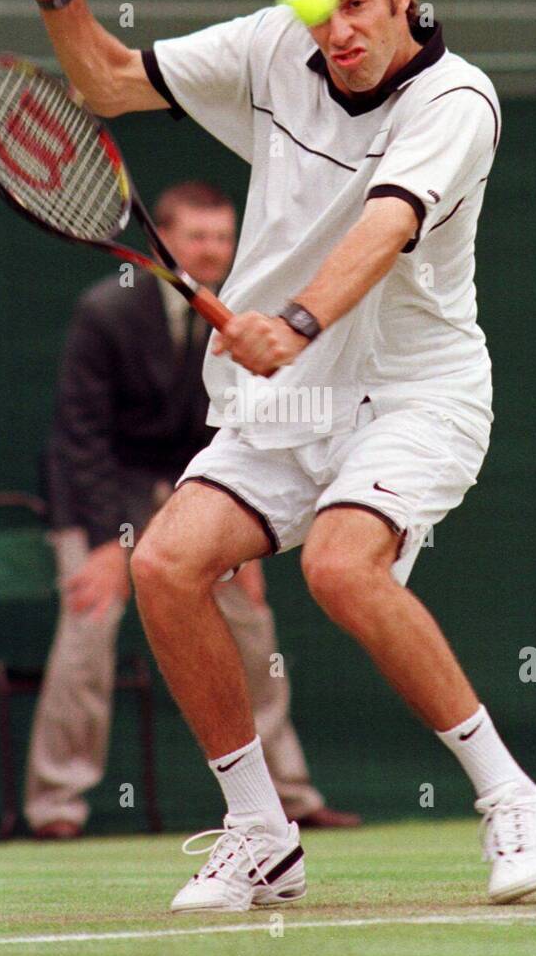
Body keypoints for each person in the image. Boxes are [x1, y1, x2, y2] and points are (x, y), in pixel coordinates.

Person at [0, 0, 536, 911]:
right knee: (167, 563)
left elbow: (385, 225)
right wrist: (60, 4)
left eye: (357, 4)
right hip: (286, 404)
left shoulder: (457, 101)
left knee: (345, 569)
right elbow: (111, 83)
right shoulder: (273, 48)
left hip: (415, 391)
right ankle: (260, 831)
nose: (337, 29)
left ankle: (516, 798)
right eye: (318, 9)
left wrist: (296, 321)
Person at [25, 180, 359, 837]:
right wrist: (103, 545)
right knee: (89, 622)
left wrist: (242, 535)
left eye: (223, 237)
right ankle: (55, 806)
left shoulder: (242, 312)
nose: (212, 250)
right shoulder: (106, 312)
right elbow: (79, 440)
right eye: (197, 237)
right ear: (165, 241)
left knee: (253, 626)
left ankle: (286, 794)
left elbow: (230, 427)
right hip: (104, 490)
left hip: (196, 486)